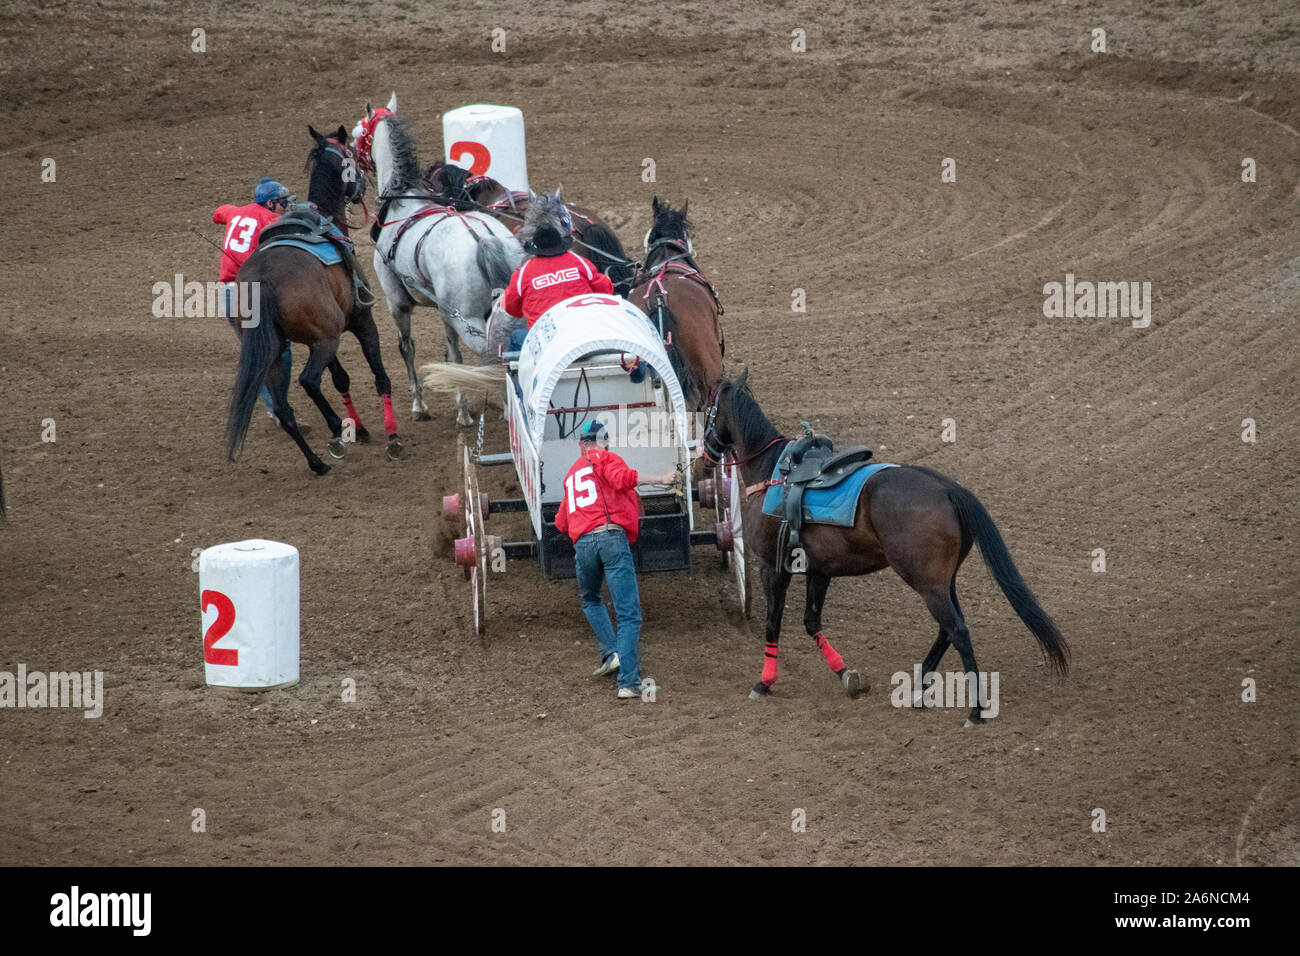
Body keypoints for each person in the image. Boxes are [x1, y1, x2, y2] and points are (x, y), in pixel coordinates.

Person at [554, 420, 678, 699]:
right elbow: (623, 479)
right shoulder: (608, 458)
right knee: (628, 615)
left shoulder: (571, 475)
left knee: (590, 600)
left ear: (581, 445)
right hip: (611, 538)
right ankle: (629, 683)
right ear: (605, 442)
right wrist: (661, 479)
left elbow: (561, 522)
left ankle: (611, 653)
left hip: (583, 544)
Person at [213, 177, 295, 419]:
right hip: (252, 295)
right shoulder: (272, 220)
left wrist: (226, 217)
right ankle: (278, 405)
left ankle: (274, 407)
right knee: (282, 349)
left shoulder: (235, 212)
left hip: (227, 295)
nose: (285, 207)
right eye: (282, 203)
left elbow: (219, 212)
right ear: (270, 204)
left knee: (255, 353)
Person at [502, 211, 614, 353]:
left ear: (535, 248)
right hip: (586, 333)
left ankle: (519, 374)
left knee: (516, 336)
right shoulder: (579, 262)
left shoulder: (523, 273)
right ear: (560, 243)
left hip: (547, 342)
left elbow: (511, 308)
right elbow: (605, 291)